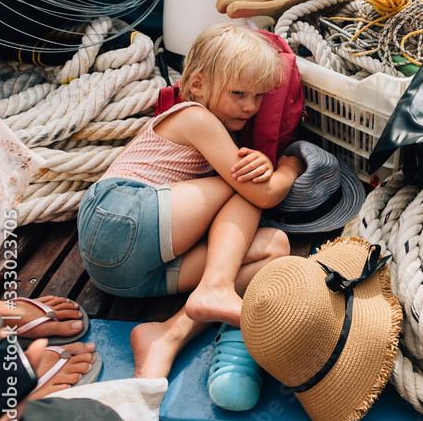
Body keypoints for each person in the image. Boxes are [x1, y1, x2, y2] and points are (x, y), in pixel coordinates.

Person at [76, 23, 305, 379]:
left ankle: (167, 336)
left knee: (275, 247)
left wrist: (260, 167)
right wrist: (288, 167)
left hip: (131, 276)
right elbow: (263, 193)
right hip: (120, 211)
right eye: (240, 93)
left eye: (259, 97)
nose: (250, 107)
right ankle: (216, 288)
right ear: (197, 85)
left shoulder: (219, 130)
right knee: (243, 185)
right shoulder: (195, 116)